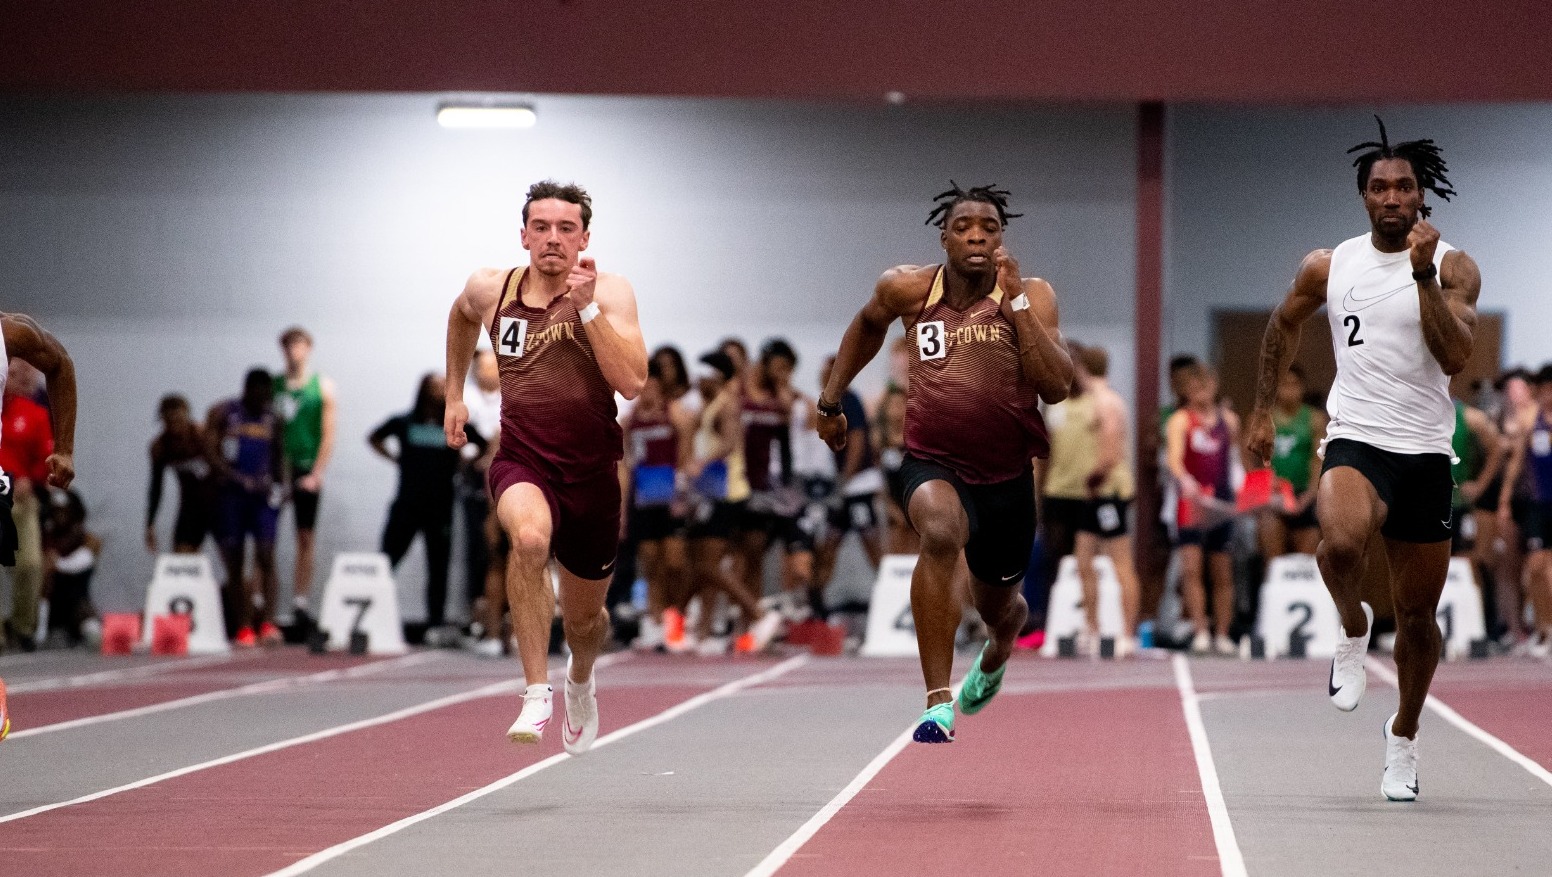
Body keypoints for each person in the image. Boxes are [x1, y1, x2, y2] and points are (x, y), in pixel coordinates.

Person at [1246, 119, 1480, 801]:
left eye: (1404, 185)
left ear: (1421, 194)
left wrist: (1420, 273)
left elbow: (1456, 355)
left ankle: (1403, 734)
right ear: (1363, 197)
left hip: (1427, 451)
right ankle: (1351, 623)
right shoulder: (1330, 263)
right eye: (1379, 187)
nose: (1392, 196)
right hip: (1357, 434)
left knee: (1417, 617)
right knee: (1339, 544)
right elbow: (1282, 322)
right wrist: (1262, 407)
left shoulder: (1454, 266)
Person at [818, 182, 1072, 743]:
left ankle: (1001, 644)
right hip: (933, 461)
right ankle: (937, 700)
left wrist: (1019, 303)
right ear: (944, 237)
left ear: (1001, 237)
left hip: (1006, 476)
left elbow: (1056, 387)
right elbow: (866, 325)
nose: (977, 235)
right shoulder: (907, 289)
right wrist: (831, 401)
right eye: (964, 227)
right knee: (939, 532)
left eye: (989, 228)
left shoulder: (1032, 294)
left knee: (999, 609)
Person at [443, 180, 648, 753]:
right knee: (528, 540)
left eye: (565, 228)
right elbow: (460, 317)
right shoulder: (493, 288)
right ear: (524, 235)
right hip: (522, 461)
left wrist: (586, 311)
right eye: (541, 227)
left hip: (591, 476)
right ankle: (536, 691)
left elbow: (632, 382)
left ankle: (578, 681)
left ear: (584, 236)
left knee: (586, 623)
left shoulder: (610, 291)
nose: (552, 239)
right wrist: (454, 395)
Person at [0, 311, 79, 740]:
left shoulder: (11, 333)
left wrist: (63, 450)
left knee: (28, 564)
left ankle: (21, 631)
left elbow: (61, 363)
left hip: (8, 488)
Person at [679, 351, 782, 653]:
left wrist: (700, 462)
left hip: (727, 491)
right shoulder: (708, 406)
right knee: (700, 564)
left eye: (704, 374)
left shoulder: (727, 405)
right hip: (709, 490)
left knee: (709, 565)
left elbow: (729, 442)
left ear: (718, 377)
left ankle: (760, 614)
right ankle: (688, 624)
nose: (698, 380)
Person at [371, 373, 486, 638]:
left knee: (438, 565)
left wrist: (466, 463)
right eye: (435, 386)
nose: (441, 390)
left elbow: (483, 444)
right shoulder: (405, 422)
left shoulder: (454, 424)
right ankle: (374, 610)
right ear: (424, 390)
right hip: (407, 504)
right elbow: (374, 437)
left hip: (440, 505)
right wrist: (394, 458)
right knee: (388, 559)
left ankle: (435, 621)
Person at [1071, 343, 1142, 656]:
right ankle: (1092, 625)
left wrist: (1093, 477)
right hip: (1094, 494)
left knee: (1120, 562)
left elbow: (1110, 451)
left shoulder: (1104, 401)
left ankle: (1127, 633)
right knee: (1083, 558)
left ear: (1081, 366)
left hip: (1107, 492)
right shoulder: (1094, 400)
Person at [619, 361, 695, 649]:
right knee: (651, 564)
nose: (647, 391)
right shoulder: (630, 420)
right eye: (643, 386)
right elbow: (625, 465)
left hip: (670, 497)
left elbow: (686, 456)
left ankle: (677, 620)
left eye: (652, 385)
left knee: (675, 563)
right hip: (643, 498)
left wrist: (682, 494)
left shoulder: (676, 414)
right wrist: (623, 510)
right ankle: (655, 622)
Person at [1166, 363, 1240, 655]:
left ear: (1215, 385)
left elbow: (1235, 460)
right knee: (1192, 569)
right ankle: (1200, 631)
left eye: (1206, 386)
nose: (1201, 393)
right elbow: (1174, 458)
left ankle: (1222, 633)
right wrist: (1185, 480)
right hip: (1193, 501)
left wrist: (1249, 489)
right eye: (1194, 388)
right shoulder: (1180, 421)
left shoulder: (1229, 421)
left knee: (1222, 571)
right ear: (1185, 392)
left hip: (1221, 500)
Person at [208, 369, 285, 647]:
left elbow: (281, 455)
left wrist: (283, 487)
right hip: (233, 496)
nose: (264, 399)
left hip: (262, 498)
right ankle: (243, 626)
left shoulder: (273, 418)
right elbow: (211, 452)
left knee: (266, 556)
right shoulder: (225, 413)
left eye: (268, 395)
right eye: (260, 393)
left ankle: (267, 622)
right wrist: (235, 478)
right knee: (236, 561)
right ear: (248, 388)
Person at [274, 326, 338, 637]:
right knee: (265, 537)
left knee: (305, 537)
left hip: (305, 468)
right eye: (288, 346)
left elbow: (328, 433)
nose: (293, 352)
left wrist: (317, 472)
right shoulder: (274, 387)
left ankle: (300, 601)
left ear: (308, 349)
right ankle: (263, 601)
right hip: (275, 469)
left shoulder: (321, 386)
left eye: (299, 346)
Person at [811, 355, 885, 614]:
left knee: (872, 546)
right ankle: (816, 605)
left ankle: (893, 596)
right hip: (843, 488)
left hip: (856, 488)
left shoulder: (849, 401)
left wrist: (844, 480)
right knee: (828, 546)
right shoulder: (830, 403)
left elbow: (857, 442)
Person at [0, 358, 57, 651]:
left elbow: (45, 460)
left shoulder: (34, 414)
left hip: (21, 499)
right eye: (17, 374)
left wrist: (32, 482)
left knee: (30, 565)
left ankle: (22, 625)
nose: (24, 381)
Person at [1497, 365, 1552, 656]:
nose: (1547, 396)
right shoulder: (1531, 418)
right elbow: (1517, 461)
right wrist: (1505, 499)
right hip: (1538, 503)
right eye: (1543, 391)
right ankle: (1544, 629)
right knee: (1535, 568)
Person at [1258, 364, 1326, 559]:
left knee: (1305, 565)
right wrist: (1266, 487)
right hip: (1274, 497)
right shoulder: (1263, 419)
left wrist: (1311, 493)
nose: (1289, 389)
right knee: (1273, 563)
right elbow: (1251, 458)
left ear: (1302, 387)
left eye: (1294, 384)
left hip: (1303, 495)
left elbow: (1318, 459)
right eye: (1284, 384)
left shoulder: (1315, 419)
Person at [460, 349, 503, 643]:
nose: (486, 372)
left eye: (492, 366)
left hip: (516, 480)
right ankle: (485, 621)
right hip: (482, 484)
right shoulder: (467, 401)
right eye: (481, 367)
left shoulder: (516, 398)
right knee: (487, 554)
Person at [146, 394, 217, 555]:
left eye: (179, 421)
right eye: (169, 422)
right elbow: (156, 486)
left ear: (187, 417)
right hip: (190, 508)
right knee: (181, 558)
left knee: (234, 562)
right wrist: (150, 522)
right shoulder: (160, 447)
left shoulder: (203, 435)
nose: (175, 427)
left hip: (218, 503)